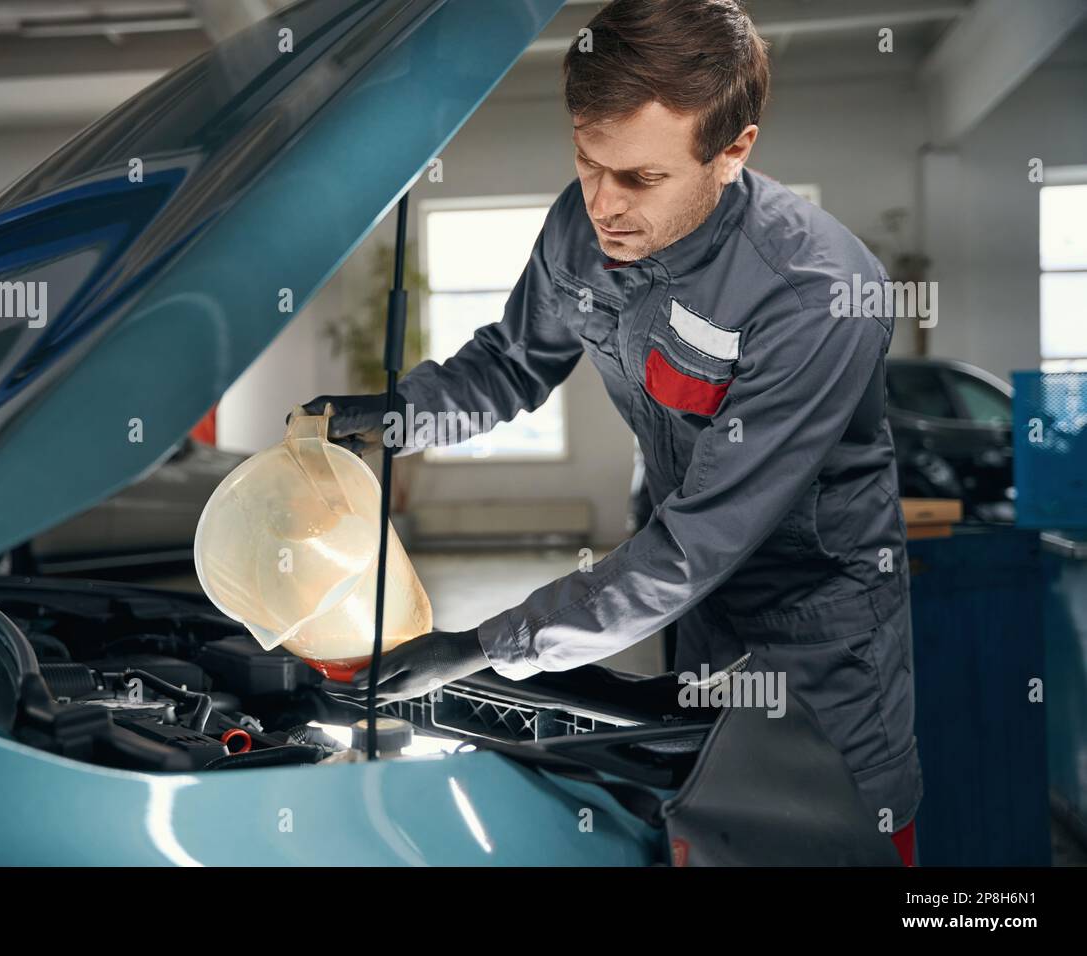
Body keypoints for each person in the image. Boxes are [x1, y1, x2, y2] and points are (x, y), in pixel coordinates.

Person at [303, 0, 921, 858]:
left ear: (733, 151)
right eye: (588, 161)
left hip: (817, 632)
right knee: (708, 820)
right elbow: (513, 363)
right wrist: (397, 416)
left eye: (641, 178)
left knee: (831, 831)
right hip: (695, 617)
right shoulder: (580, 225)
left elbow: (698, 544)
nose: (604, 206)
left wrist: (485, 645)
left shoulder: (814, 295)